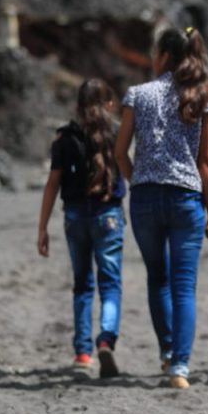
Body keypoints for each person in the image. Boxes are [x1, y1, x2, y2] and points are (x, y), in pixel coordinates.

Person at [115, 27, 208, 389]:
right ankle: (180, 366)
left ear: (162, 55)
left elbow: (119, 152)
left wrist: (138, 180)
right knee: (184, 285)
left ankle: (166, 353)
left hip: (145, 196)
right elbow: (205, 161)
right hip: (186, 197)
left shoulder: (138, 94)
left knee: (156, 279)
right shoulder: (204, 95)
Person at [38, 79, 127, 379]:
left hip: (75, 217)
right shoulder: (116, 134)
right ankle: (106, 339)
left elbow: (52, 184)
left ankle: (82, 352)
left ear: (77, 106)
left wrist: (42, 228)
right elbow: (129, 172)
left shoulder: (64, 139)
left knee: (82, 284)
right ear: (110, 104)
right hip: (109, 216)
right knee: (111, 284)